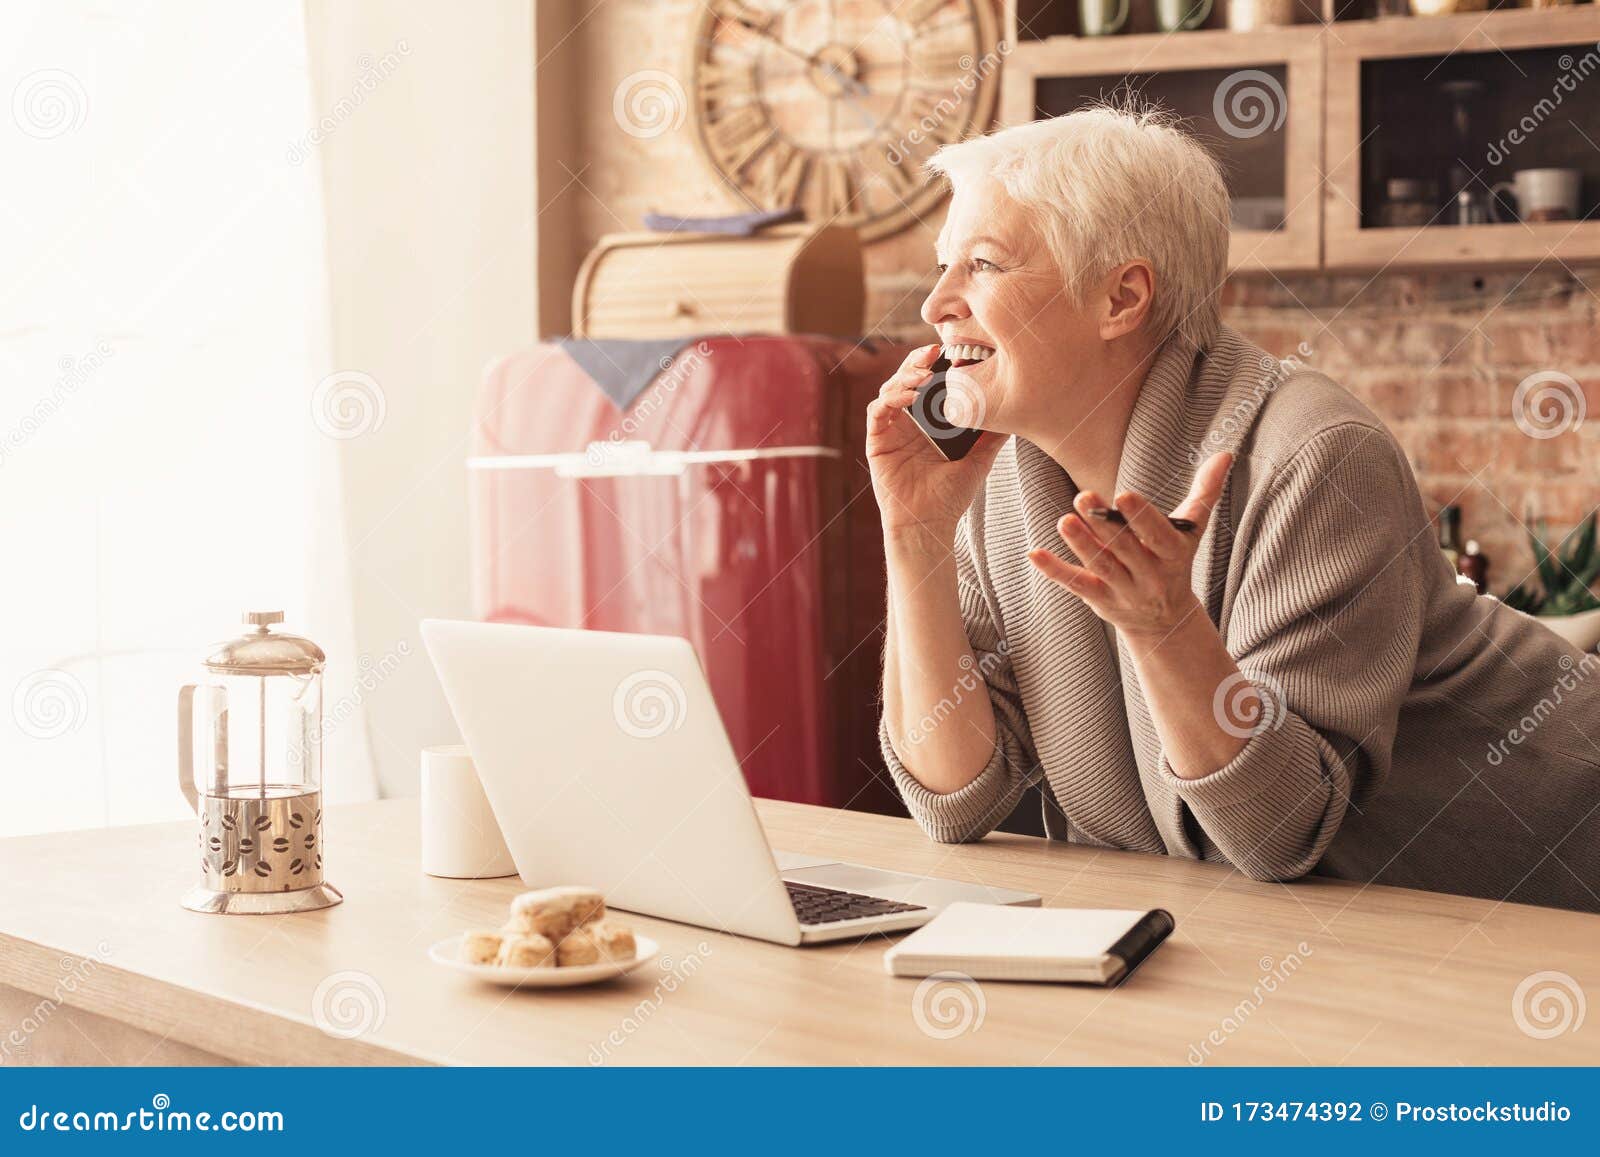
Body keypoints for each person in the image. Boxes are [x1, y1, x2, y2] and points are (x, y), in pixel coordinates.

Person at [868, 103, 1600, 913]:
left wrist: (1167, 630)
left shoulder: (1316, 452)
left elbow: (1282, 829)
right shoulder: (993, 476)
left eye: (982, 264)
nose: (937, 302)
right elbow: (955, 799)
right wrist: (916, 532)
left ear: (1122, 298)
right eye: (944, 266)